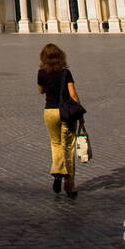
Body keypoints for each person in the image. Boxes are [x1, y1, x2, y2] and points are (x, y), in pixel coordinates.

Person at [37, 43, 83, 198]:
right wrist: (80, 111)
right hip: (65, 112)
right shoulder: (65, 73)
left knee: (56, 143)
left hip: (49, 112)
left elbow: (41, 90)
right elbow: (73, 95)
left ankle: (57, 171)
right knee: (68, 147)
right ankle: (70, 186)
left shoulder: (41, 73)